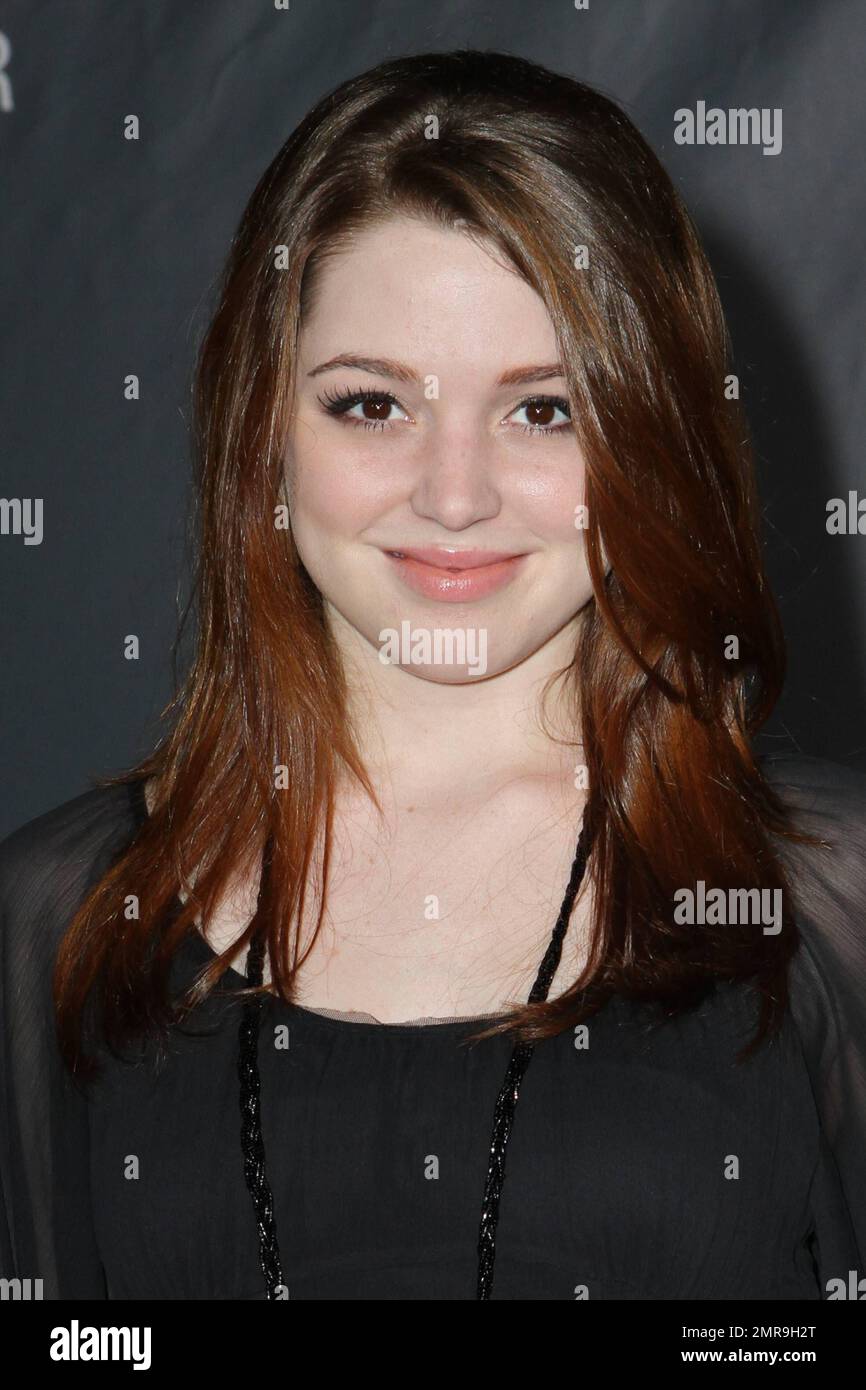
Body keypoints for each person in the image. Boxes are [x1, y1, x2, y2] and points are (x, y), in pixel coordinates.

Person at [2, 49, 865, 1302]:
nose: (452, 495)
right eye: (370, 406)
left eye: (542, 410)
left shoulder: (826, 899)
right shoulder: (61, 925)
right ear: (262, 438)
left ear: (650, 435)